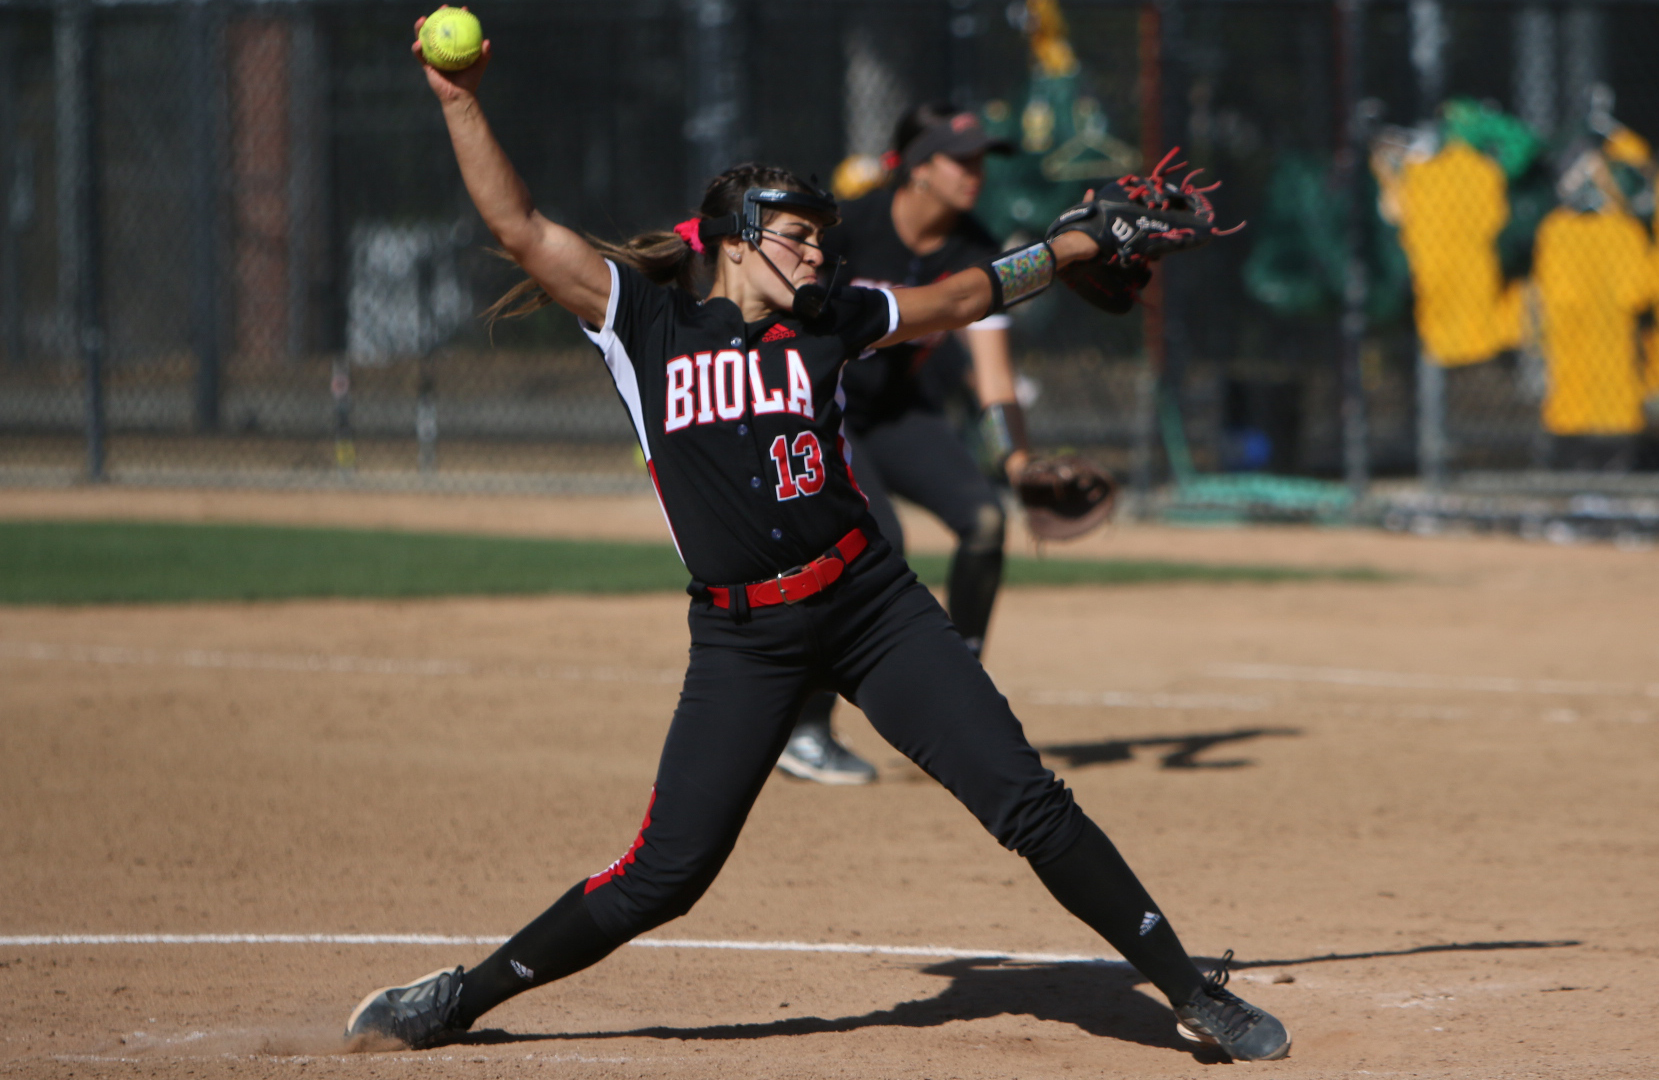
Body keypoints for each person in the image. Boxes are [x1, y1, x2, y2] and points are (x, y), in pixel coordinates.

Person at [342, 15, 1290, 1063]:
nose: (817, 250)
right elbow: (520, 227)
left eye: (820, 237)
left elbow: (960, 298)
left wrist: (1067, 249)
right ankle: (458, 1000)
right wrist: (458, 98)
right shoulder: (643, 326)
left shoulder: (833, 315)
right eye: (795, 235)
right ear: (738, 238)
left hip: (873, 609)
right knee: (668, 874)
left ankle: (1191, 989)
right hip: (745, 643)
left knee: (1025, 799)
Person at [776, 103, 1028, 786]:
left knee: (984, 523)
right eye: (960, 158)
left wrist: (1018, 458)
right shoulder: (849, 231)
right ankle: (804, 728)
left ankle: (960, 690)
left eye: (981, 159)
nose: (975, 172)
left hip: (901, 415)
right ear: (917, 169)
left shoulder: (977, 250)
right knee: (871, 543)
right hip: (825, 413)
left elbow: (993, 374)